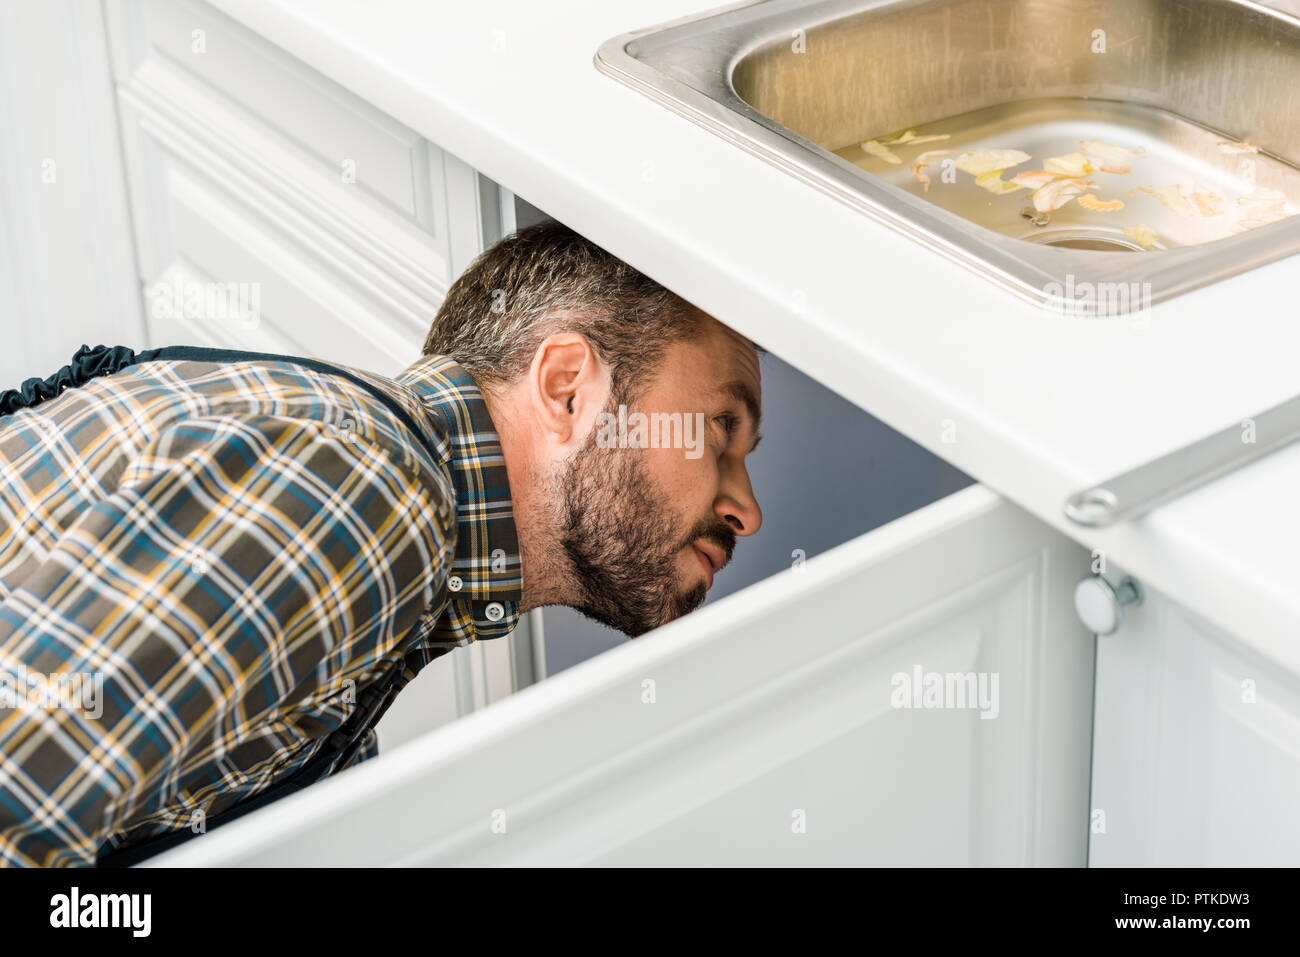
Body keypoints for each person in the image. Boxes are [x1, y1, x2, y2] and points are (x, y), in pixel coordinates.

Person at [0, 220, 763, 866]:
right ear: (568, 387)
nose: (748, 509)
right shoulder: (365, 493)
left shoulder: (369, 489)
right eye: (721, 430)